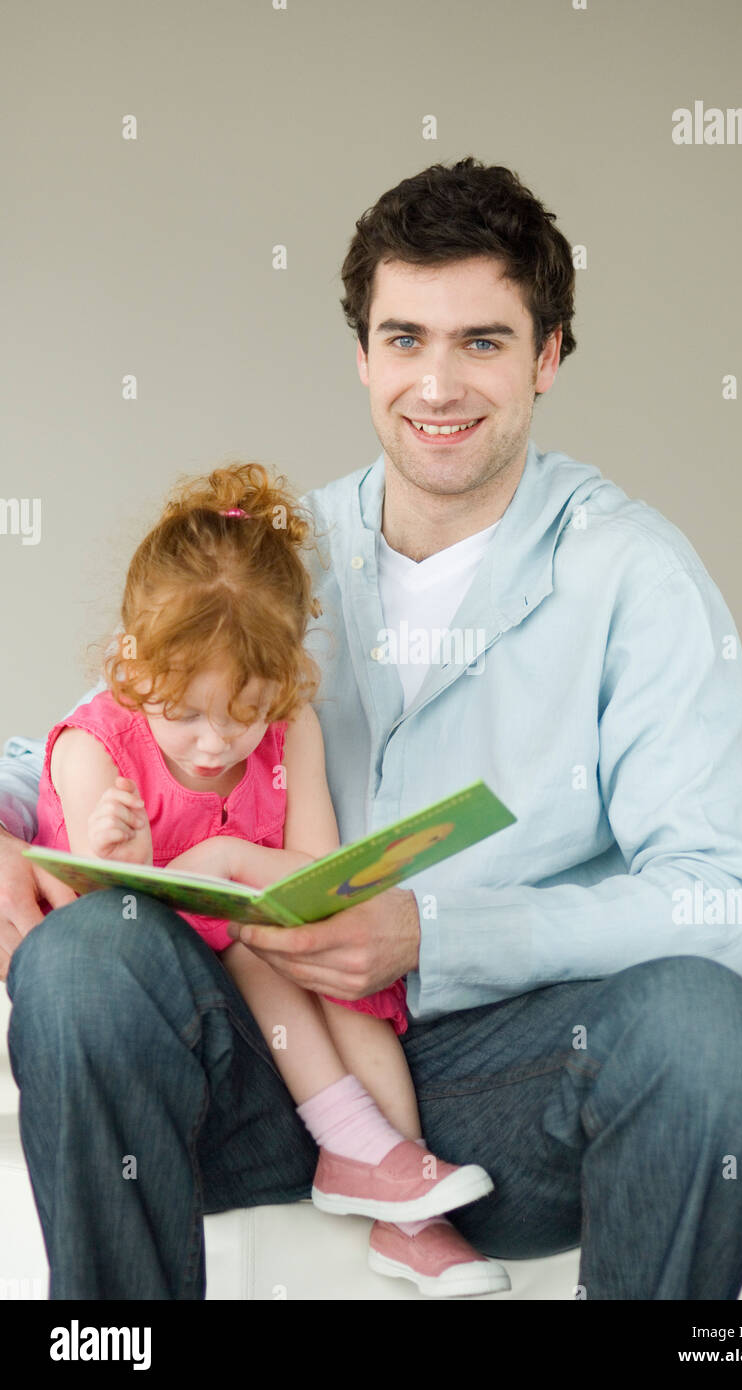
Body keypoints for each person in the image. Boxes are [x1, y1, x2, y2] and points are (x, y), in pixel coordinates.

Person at [0, 156, 742, 1300]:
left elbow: (716, 897)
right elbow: (98, 744)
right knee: (83, 960)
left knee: (710, 1031)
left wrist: (435, 931)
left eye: (482, 341)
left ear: (548, 354)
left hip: (509, 1084)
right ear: (361, 354)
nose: (438, 382)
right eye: (405, 337)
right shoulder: (273, 561)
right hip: (255, 1071)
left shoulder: (635, 576)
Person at [25, 458, 509, 1298]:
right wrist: (131, 859)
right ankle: (355, 1145)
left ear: (283, 684)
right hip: (170, 997)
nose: (215, 745)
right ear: (128, 661)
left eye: (244, 714)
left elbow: (317, 873)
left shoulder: (292, 730)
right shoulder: (93, 746)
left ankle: (407, 1208)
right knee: (253, 947)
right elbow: (89, 927)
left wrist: (229, 863)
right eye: (185, 715)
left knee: (342, 977)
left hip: (263, 954)